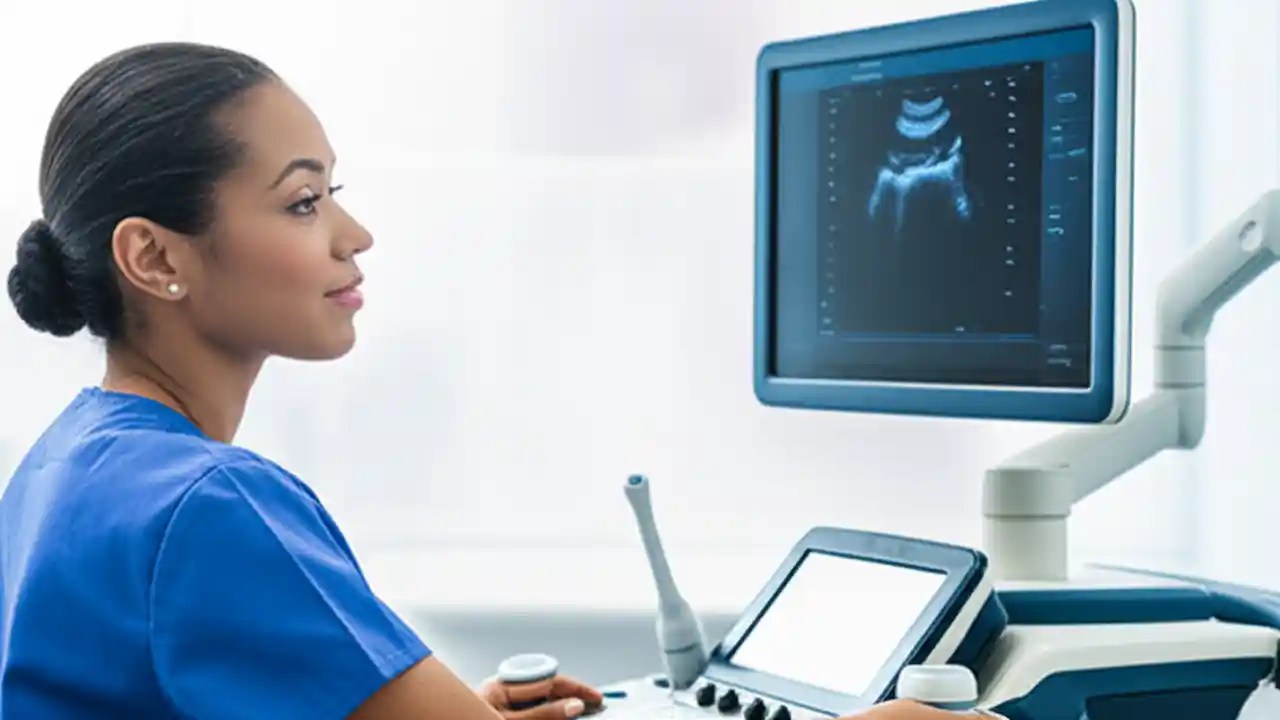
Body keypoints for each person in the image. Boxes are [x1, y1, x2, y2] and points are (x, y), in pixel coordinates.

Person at [0, 42, 981, 720]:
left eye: (332, 193)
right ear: (154, 257)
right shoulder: (211, 505)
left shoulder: (63, 470)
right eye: (301, 202)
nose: (354, 235)